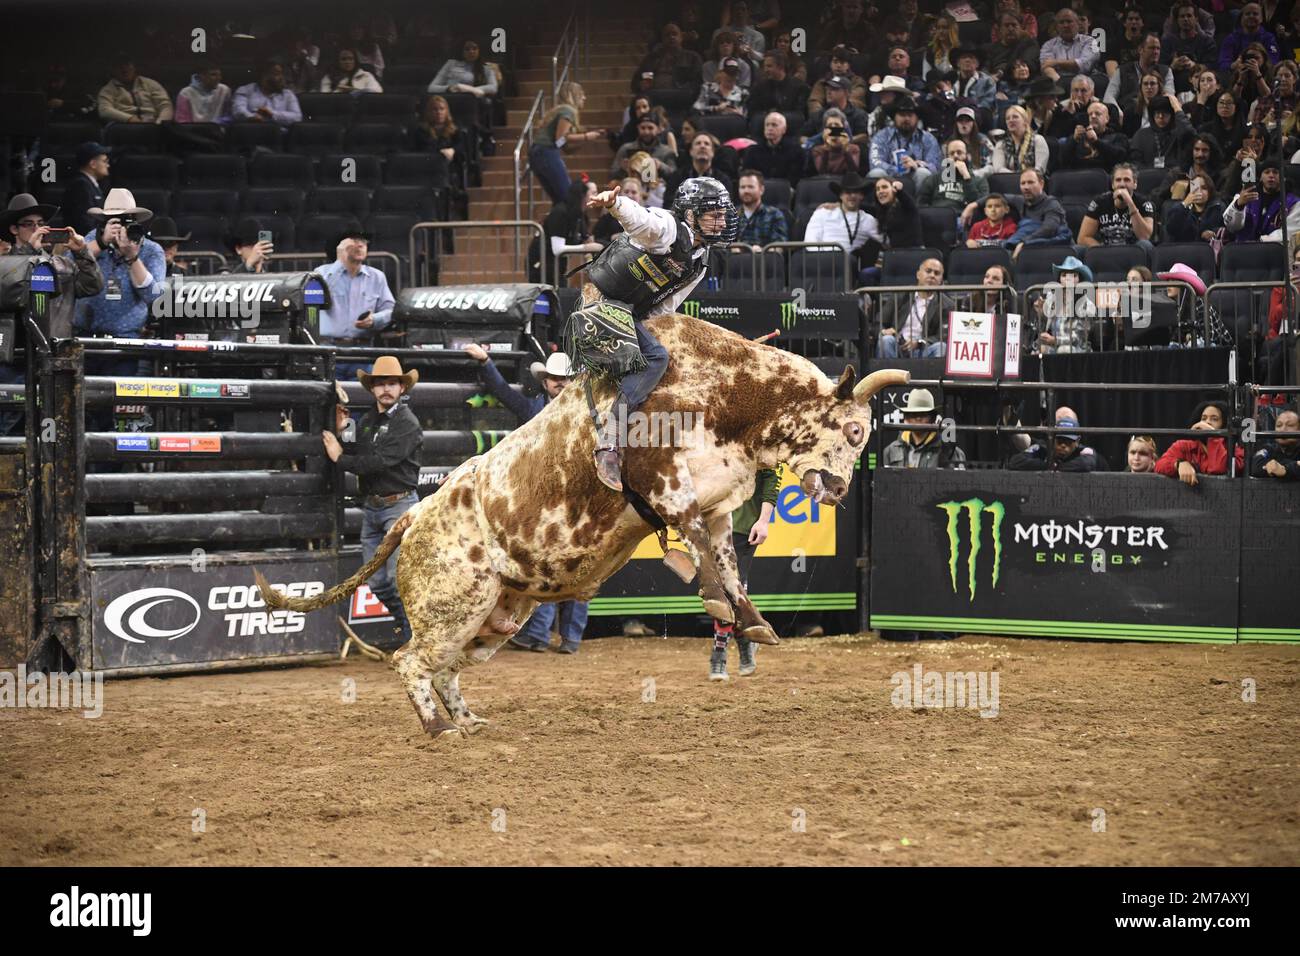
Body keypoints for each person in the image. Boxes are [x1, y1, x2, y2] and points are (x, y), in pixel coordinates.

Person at [578, 178, 737, 493]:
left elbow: (665, 307)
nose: (721, 221)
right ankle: (609, 442)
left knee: (671, 357)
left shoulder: (700, 261)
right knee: (656, 358)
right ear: (690, 215)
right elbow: (640, 219)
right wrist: (614, 203)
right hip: (600, 303)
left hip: (630, 314)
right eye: (713, 214)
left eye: (722, 214)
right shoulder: (667, 227)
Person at [461, 345, 590, 652]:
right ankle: (542, 635)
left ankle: (567, 637)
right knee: (544, 565)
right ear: (545, 381)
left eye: (564, 378)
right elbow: (503, 392)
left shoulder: (584, 414)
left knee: (578, 567)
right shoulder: (537, 410)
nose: (559, 383)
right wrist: (486, 363)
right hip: (543, 502)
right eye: (554, 378)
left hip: (575, 502)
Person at [321, 356, 422, 647]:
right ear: (373, 389)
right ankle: (409, 628)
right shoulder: (369, 419)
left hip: (399, 506)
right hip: (376, 507)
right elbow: (359, 444)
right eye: (380, 384)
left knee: (394, 579)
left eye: (391, 384)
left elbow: (377, 462)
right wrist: (345, 428)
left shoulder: (407, 423)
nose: (386, 390)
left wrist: (340, 458)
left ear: (402, 388)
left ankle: (411, 632)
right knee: (377, 581)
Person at [708, 466, 777, 681]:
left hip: (742, 524)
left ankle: (719, 652)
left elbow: (772, 477)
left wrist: (764, 520)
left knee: (730, 587)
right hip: (711, 519)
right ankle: (746, 639)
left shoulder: (761, 437)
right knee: (722, 587)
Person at [316, 225, 397, 380]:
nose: (360, 245)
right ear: (341, 247)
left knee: (363, 398)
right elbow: (318, 299)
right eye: (354, 241)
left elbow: (391, 310)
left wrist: (375, 319)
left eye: (363, 242)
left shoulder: (376, 277)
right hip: (329, 351)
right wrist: (340, 262)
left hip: (363, 352)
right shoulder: (322, 272)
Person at [529, 82, 604, 205]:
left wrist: (587, 139)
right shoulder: (568, 111)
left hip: (538, 154)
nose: (584, 98)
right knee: (568, 197)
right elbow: (561, 138)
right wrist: (586, 136)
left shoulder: (561, 110)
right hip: (546, 153)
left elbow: (564, 146)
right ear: (574, 95)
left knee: (559, 199)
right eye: (582, 95)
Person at [805, 171, 882, 271]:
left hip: (846, 268)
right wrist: (823, 260)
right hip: (818, 263)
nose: (852, 195)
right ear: (840, 195)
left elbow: (887, 240)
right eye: (848, 192)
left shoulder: (867, 220)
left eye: (856, 192)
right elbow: (810, 241)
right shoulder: (822, 212)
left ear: (862, 196)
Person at [876, 257, 950, 358]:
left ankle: (935, 374)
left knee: (941, 347)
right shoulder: (900, 295)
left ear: (941, 280)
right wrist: (884, 331)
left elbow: (943, 336)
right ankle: (890, 374)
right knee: (886, 340)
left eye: (937, 273)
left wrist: (920, 342)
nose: (932, 275)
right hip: (898, 346)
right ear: (918, 274)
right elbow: (879, 322)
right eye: (928, 271)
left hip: (924, 350)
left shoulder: (946, 304)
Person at [1155, 400, 1244, 484]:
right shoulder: (1184, 445)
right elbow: (1159, 465)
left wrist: (1213, 436)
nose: (1207, 422)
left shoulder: (1235, 450)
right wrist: (1178, 464)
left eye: (1214, 419)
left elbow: (1218, 468)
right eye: (1204, 418)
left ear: (1225, 424)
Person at [920, 138, 990, 236]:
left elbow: (980, 202)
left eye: (959, 152)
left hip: (962, 219)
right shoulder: (934, 179)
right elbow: (921, 203)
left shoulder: (979, 180)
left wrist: (966, 177)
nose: (955, 156)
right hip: (936, 219)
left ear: (967, 156)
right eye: (951, 153)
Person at [882, 388, 967, 469]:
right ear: (906, 418)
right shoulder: (891, 450)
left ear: (933, 418)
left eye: (923, 414)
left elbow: (957, 482)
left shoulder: (950, 452)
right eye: (913, 414)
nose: (918, 418)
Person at [867, 96, 941, 188]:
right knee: (876, 173)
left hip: (915, 179)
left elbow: (935, 166)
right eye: (902, 114)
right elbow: (875, 162)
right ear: (894, 117)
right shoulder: (881, 136)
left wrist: (916, 165)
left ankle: (920, 202)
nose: (906, 119)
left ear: (917, 118)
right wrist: (899, 170)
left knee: (923, 172)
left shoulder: (928, 139)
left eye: (910, 115)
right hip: (889, 179)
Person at [1078, 163, 1155, 249]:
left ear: (1135, 184)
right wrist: (1102, 251)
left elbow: (1144, 236)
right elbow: (1083, 238)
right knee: (1079, 249)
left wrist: (1130, 203)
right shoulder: (1099, 202)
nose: (1122, 184)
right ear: (1113, 185)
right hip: (1105, 252)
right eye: (1118, 180)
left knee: (1145, 245)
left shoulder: (1144, 203)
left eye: (1127, 180)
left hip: (1134, 253)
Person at [1223, 159, 1300, 243]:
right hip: (1242, 249)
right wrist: (1238, 206)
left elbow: (1289, 232)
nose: (1271, 175)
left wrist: (1261, 241)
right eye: (1267, 172)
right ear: (1260, 177)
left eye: (1275, 172)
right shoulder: (1245, 195)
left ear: (1284, 178)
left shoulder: (1294, 203)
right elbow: (1231, 226)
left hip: (1273, 251)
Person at [1034, 255, 1095, 353]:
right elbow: (1042, 330)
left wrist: (1055, 340)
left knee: (1064, 350)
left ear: (1080, 280)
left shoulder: (1086, 304)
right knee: (1039, 350)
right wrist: (1041, 314)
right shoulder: (1052, 298)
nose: (1068, 279)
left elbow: (1079, 337)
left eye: (1073, 276)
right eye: (1064, 275)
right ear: (1059, 280)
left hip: (1078, 348)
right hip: (1054, 346)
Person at [1004, 167, 1071, 255]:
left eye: (1030, 182)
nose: (1026, 187)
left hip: (1053, 249)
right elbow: (999, 197)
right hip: (1026, 247)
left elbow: (1048, 229)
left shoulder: (1052, 204)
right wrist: (979, 203)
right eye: (1023, 183)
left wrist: (1024, 242)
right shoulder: (1020, 200)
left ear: (1041, 184)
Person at [1008, 413, 1108, 471]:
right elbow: (1015, 461)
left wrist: (1057, 468)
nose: (1063, 446)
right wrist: (1047, 465)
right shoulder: (1043, 448)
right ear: (1053, 438)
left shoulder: (1083, 451)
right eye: (1060, 441)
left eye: (1068, 441)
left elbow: (1087, 463)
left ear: (1077, 441)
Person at [410, 95, 469, 189]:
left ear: (447, 111)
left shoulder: (455, 130)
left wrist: (453, 150)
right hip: (427, 166)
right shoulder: (421, 131)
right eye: (435, 109)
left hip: (448, 167)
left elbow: (462, 146)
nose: (439, 112)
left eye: (442, 109)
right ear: (429, 112)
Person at [664, 133, 734, 208]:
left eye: (706, 144)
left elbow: (727, 206)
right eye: (698, 143)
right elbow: (669, 204)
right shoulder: (677, 177)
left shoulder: (722, 180)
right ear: (691, 151)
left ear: (713, 152)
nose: (702, 146)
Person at [97, 56, 173, 124]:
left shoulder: (150, 84)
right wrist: (130, 119)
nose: (124, 69)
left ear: (133, 67)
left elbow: (165, 106)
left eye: (127, 65)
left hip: (153, 125)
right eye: (119, 66)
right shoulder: (107, 90)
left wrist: (159, 124)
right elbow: (104, 111)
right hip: (123, 126)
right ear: (113, 70)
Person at [1060, 101, 1131, 171]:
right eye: (1090, 114)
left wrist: (1096, 141)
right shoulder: (1077, 137)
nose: (1093, 116)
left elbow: (1120, 159)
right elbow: (1062, 161)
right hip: (1077, 175)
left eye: (1097, 114)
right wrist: (1074, 140)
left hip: (1104, 176)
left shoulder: (1119, 137)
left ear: (1107, 119)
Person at [636, 23, 705, 95]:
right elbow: (636, 81)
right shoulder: (651, 58)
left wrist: (682, 91)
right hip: (654, 95)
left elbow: (697, 82)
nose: (671, 37)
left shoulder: (693, 57)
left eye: (674, 34)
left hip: (681, 96)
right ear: (662, 39)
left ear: (681, 37)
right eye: (667, 35)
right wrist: (640, 84)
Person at [61, 142, 111, 238]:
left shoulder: (90, 184)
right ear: (93, 164)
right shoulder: (81, 185)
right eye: (104, 161)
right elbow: (85, 222)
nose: (108, 165)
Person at [1128, 95, 1194, 168]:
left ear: (1172, 115)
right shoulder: (1141, 135)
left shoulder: (1179, 133)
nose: (1160, 117)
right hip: (1147, 176)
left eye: (1165, 113)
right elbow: (1135, 163)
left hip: (1174, 176)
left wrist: (1177, 108)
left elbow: (1189, 134)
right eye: (1157, 113)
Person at [232, 60, 303, 128]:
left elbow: (297, 117)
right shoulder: (245, 90)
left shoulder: (288, 94)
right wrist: (252, 117)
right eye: (277, 74)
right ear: (264, 75)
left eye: (282, 74)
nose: (281, 78)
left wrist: (272, 114)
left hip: (280, 135)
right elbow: (238, 111)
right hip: (251, 132)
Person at [739, 111, 803, 185]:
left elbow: (796, 177)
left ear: (784, 129)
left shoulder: (796, 151)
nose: (770, 128)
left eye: (774, 125)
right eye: (767, 125)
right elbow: (747, 174)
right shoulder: (752, 151)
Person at [1039, 7, 1099, 84]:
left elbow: (1084, 65)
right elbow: (1046, 67)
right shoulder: (1048, 45)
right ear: (1057, 27)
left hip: (1086, 83)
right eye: (1061, 22)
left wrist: (1056, 62)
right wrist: (1061, 83)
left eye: (1069, 21)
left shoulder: (1091, 41)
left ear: (1077, 24)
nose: (1065, 25)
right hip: (1058, 84)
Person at [611, 114, 677, 182]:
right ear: (637, 128)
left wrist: (660, 166)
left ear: (658, 129)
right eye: (643, 128)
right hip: (631, 189)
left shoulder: (666, 151)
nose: (646, 132)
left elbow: (675, 177)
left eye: (650, 128)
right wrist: (622, 168)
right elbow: (613, 174)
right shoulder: (625, 149)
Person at [427, 38, 498, 99]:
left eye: (474, 48)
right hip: (449, 99)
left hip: (470, 101)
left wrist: (466, 89)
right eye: (467, 49)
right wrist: (449, 88)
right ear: (461, 51)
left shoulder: (486, 68)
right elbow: (431, 88)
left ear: (479, 50)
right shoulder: (451, 64)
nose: (471, 51)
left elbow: (493, 88)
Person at [1219, 2, 1281, 70]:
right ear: (1241, 18)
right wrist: (1233, 65)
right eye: (1247, 14)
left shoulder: (1269, 38)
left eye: (1255, 14)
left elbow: (1274, 60)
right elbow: (1223, 63)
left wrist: (1259, 65)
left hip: (1263, 75)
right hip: (1236, 74)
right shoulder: (1231, 39)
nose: (1251, 16)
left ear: (1261, 18)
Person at [735, 169, 787, 250]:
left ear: (761, 190)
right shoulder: (731, 214)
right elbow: (722, 244)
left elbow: (780, 246)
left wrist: (763, 252)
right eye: (742, 187)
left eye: (750, 187)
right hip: (734, 260)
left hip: (764, 260)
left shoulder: (775, 214)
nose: (746, 191)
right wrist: (731, 249)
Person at [808, 46, 869, 114]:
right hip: (825, 117)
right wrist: (821, 116)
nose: (838, 65)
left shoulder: (857, 81)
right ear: (830, 64)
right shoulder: (823, 82)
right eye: (835, 62)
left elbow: (855, 99)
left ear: (848, 65)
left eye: (842, 62)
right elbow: (815, 100)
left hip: (851, 116)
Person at [1165, 173, 1224, 242]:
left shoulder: (1218, 207)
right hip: (1184, 249)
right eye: (1195, 188)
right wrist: (1184, 204)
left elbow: (1225, 231)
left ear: (1210, 191)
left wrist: (1214, 232)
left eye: (1204, 188)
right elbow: (1171, 229)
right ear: (1189, 191)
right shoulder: (1180, 208)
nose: (1199, 192)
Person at [991, 105, 1050, 174]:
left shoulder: (1038, 140)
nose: (1011, 120)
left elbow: (1039, 169)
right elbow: (998, 169)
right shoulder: (1001, 144)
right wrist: (1016, 176)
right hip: (1009, 181)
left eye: (1015, 117)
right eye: (1008, 118)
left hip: (1033, 181)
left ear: (1025, 121)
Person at [985, 11, 1042, 81]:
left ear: (1021, 28)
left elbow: (1025, 63)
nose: (1010, 29)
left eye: (1014, 25)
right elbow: (985, 68)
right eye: (1006, 25)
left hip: (1023, 84)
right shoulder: (991, 49)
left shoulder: (1030, 44)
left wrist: (999, 73)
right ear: (999, 29)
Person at [807, 109, 862, 176]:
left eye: (837, 126)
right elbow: (822, 172)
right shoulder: (818, 150)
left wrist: (846, 150)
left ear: (843, 128)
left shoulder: (853, 148)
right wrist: (826, 148)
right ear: (825, 130)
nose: (833, 129)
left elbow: (854, 171)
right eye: (830, 126)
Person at [1250, 408, 1300, 480]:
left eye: (1290, 425)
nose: (1283, 429)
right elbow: (1255, 467)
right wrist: (1295, 465)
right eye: (1279, 425)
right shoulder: (1268, 449)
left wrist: (1285, 469)